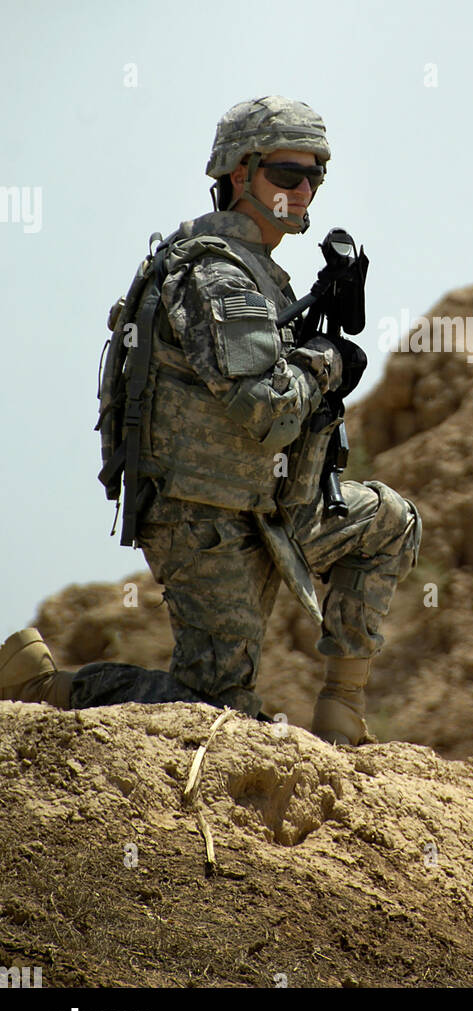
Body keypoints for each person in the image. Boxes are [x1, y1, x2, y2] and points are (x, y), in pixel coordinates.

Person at [0, 96, 421, 746]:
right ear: (238, 172)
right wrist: (327, 361)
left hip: (269, 507)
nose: (304, 189)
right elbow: (268, 412)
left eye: (315, 175)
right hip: (205, 522)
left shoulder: (256, 272)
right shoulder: (215, 274)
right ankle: (47, 688)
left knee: (386, 521)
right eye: (286, 173)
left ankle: (342, 715)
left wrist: (316, 337)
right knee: (219, 715)